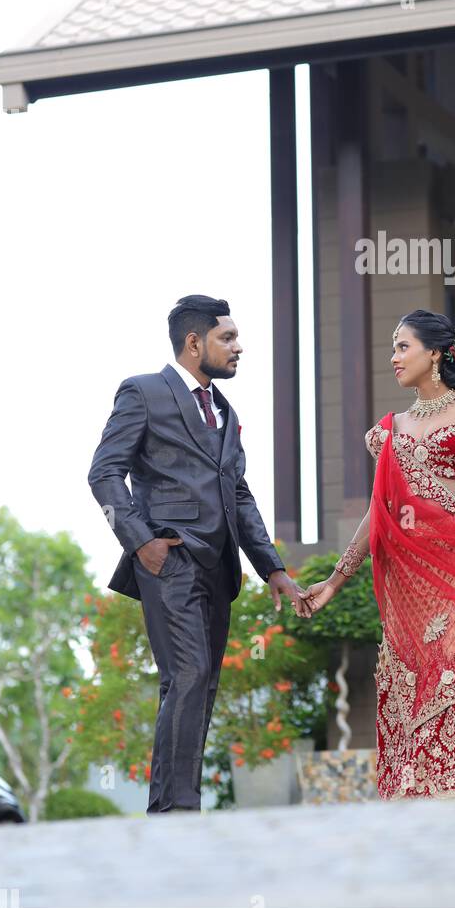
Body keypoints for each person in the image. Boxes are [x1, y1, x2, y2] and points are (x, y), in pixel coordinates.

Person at [302, 308, 455, 799]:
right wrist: (334, 580)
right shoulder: (389, 430)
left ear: (434, 353)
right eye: (393, 347)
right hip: (409, 583)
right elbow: (379, 513)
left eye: (403, 346)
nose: (393, 357)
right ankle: (429, 798)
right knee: (421, 677)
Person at [87, 294, 310, 813]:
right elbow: (103, 473)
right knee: (187, 675)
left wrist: (272, 568)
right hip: (169, 560)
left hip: (220, 567)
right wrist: (141, 542)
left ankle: (170, 806)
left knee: (199, 681)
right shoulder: (143, 391)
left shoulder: (226, 413)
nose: (239, 348)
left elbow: (239, 494)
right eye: (227, 338)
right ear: (194, 343)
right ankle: (179, 810)